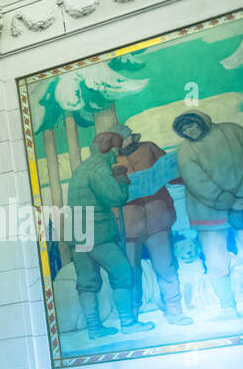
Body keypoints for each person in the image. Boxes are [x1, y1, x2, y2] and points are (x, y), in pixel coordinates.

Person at [65, 132, 153, 338]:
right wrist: (121, 182)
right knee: (122, 272)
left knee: (87, 280)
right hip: (97, 231)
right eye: (116, 150)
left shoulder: (82, 169)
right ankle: (128, 323)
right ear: (110, 149)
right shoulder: (99, 168)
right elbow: (115, 197)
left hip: (76, 231)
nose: (117, 154)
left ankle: (94, 329)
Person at [111, 125, 190, 325]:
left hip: (158, 220)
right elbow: (106, 194)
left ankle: (175, 311)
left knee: (166, 267)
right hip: (128, 226)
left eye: (125, 138)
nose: (122, 142)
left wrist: (177, 174)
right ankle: (133, 318)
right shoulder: (110, 162)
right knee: (131, 272)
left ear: (132, 136)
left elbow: (174, 174)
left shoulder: (149, 148)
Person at [172, 110, 243, 319]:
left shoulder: (232, 131)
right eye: (184, 129)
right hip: (207, 209)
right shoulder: (185, 151)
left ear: (202, 122)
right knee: (215, 259)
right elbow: (196, 181)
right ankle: (228, 307)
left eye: (192, 125)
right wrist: (227, 200)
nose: (189, 131)